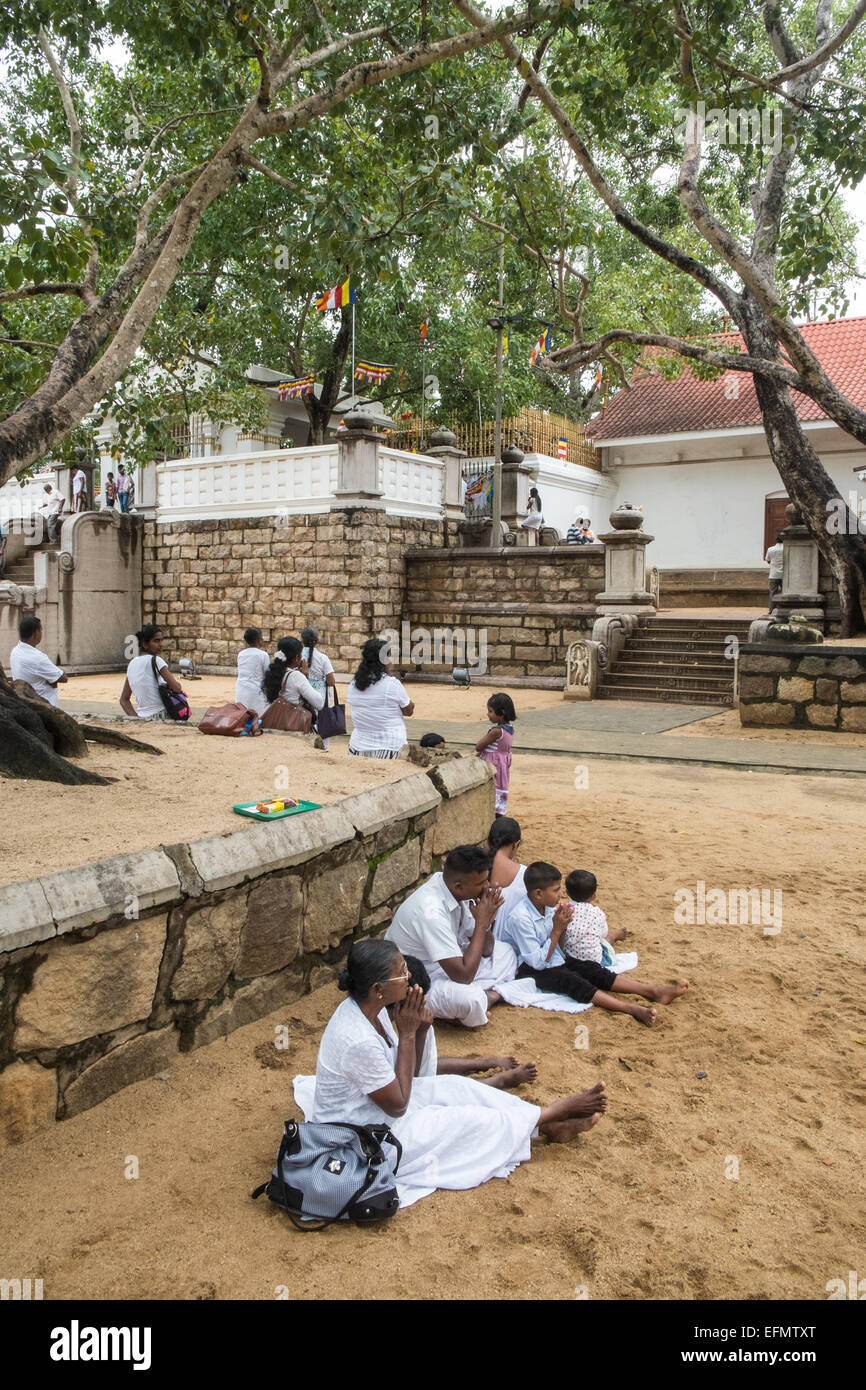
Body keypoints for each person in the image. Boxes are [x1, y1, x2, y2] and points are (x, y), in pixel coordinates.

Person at [300, 939, 608, 1206]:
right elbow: (398, 1104)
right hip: (358, 1140)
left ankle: (547, 1126)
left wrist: (419, 1031)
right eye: (401, 974)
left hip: (381, 1106)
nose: (408, 978)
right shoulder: (357, 1039)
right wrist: (407, 1034)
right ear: (378, 989)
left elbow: (413, 1076)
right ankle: (553, 1114)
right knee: (465, 1121)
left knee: (460, 1090)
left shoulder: (375, 1008)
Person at [500, 861, 690, 1027]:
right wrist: (557, 931)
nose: (560, 895)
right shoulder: (520, 918)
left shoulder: (547, 907)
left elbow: (559, 947)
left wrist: (563, 928)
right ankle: (630, 1008)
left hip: (551, 955)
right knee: (570, 980)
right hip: (529, 967)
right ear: (539, 894)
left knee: (589, 968)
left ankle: (651, 991)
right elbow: (537, 962)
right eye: (556, 890)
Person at [385, 844, 517, 1028]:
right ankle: (488, 997)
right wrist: (481, 924)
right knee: (473, 999)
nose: (487, 887)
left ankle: (476, 1001)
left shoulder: (455, 889)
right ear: (458, 886)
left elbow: (486, 949)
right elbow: (463, 976)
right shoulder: (431, 911)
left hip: (449, 966)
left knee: (507, 952)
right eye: (481, 883)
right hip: (418, 981)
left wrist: (485, 923)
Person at [397, 956, 537, 1089]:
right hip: (407, 1091)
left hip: (408, 1069)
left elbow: (425, 1065)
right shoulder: (390, 1029)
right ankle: (498, 1081)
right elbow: (414, 1082)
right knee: (444, 1087)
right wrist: (414, 1034)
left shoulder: (391, 1016)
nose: (423, 1004)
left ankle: (484, 1064)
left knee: (429, 1063)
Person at [346, 637, 414, 759]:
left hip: (358, 747)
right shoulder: (391, 684)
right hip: (390, 747)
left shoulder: (353, 685)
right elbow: (408, 711)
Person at [563, 868, 628, 970]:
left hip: (568, 959)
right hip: (595, 962)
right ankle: (614, 936)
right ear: (593, 896)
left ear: (567, 892)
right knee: (605, 941)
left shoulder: (563, 911)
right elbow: (603, 934)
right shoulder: (597, 913)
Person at [119, 624, 184, 720]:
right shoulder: (156, 660)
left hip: (142, 716)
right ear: (145, 644)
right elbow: (177, 688)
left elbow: (124, 700)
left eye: (161, 640)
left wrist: (136, 720)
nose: (161, 644)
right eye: (156, 641)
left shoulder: (132, 663)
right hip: (162, 715)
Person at [261, 635, 326, 717]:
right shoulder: (296, 676)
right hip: (292, 722)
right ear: (296, 658)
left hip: (274, 721)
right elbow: (319, 703)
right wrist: (306, 676)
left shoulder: (271, 673)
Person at [9, 616, 67, 706]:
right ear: (35, 633)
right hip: (44, 706)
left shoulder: (15, 651)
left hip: (24, 703)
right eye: (40, 630)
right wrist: (55, 675)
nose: (41, 633)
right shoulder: (38, 658)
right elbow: (63, 678)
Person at [476, 692, 515, 815]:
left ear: (501, 713)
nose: (488, 714)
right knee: (500, 789)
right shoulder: (509, 728)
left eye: (490, 711)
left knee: (492, 790)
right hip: (502, 765)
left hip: (493, 764)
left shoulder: (496, 731)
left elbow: (479, 746)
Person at [488, 816, 526, 932]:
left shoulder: (474, 869)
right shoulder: (525, 875)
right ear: (515, 845)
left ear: (488, 841)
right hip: (513, 943)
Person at [301, 625, 337, 748]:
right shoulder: (323, 658)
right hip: (321, 696)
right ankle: (324, 748)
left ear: (302, 640)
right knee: (322, 722)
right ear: (316, 641)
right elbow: (331, 681)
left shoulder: (297, 657)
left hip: (303, 694)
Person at [235, 626, 270, 716]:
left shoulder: (241, 654)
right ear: (259, 639)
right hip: (256, 692)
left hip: (241, 690)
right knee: (259, 716)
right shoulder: (263, 655)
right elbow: (267, 675)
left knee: (243, 716)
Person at [765, 531, 784, 606]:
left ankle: (771, 609)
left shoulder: (770, 549)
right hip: (784, 575)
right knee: (785, 593)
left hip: (774, 574)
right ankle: (783, 607)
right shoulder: (786, 549)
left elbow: (768, 560)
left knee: (772, 593)